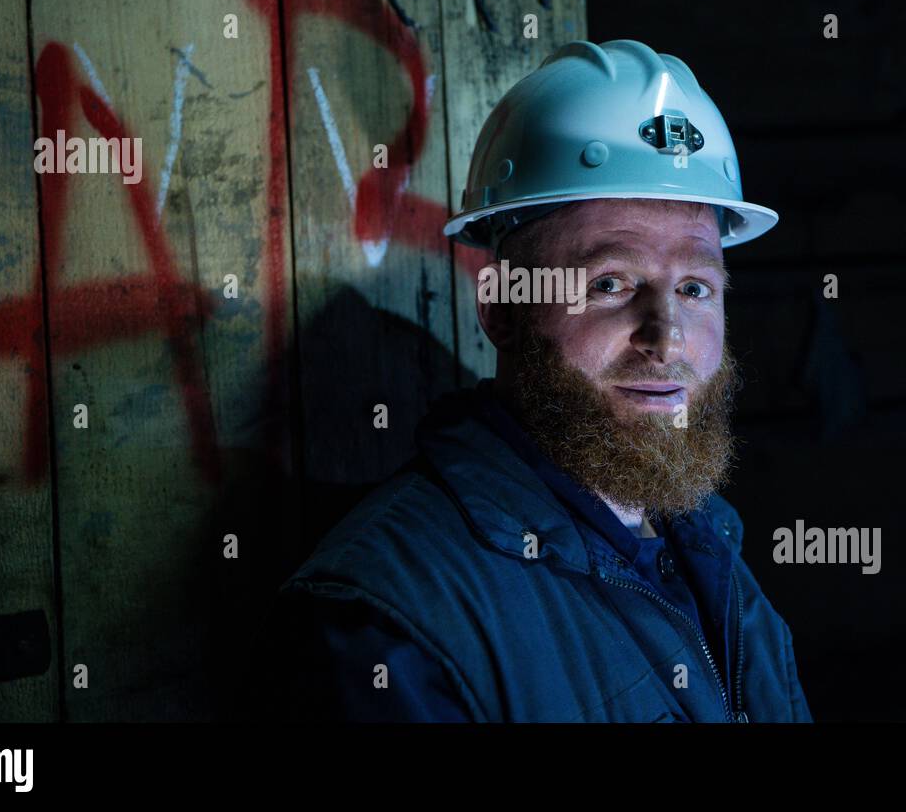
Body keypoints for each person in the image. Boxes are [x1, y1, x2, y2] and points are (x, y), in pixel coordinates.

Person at [266, 40, 811, 722]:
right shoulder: (391, 619)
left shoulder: (706, 545)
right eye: (611, 283)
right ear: (498, 305)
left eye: (696, 287)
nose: (667, 336)